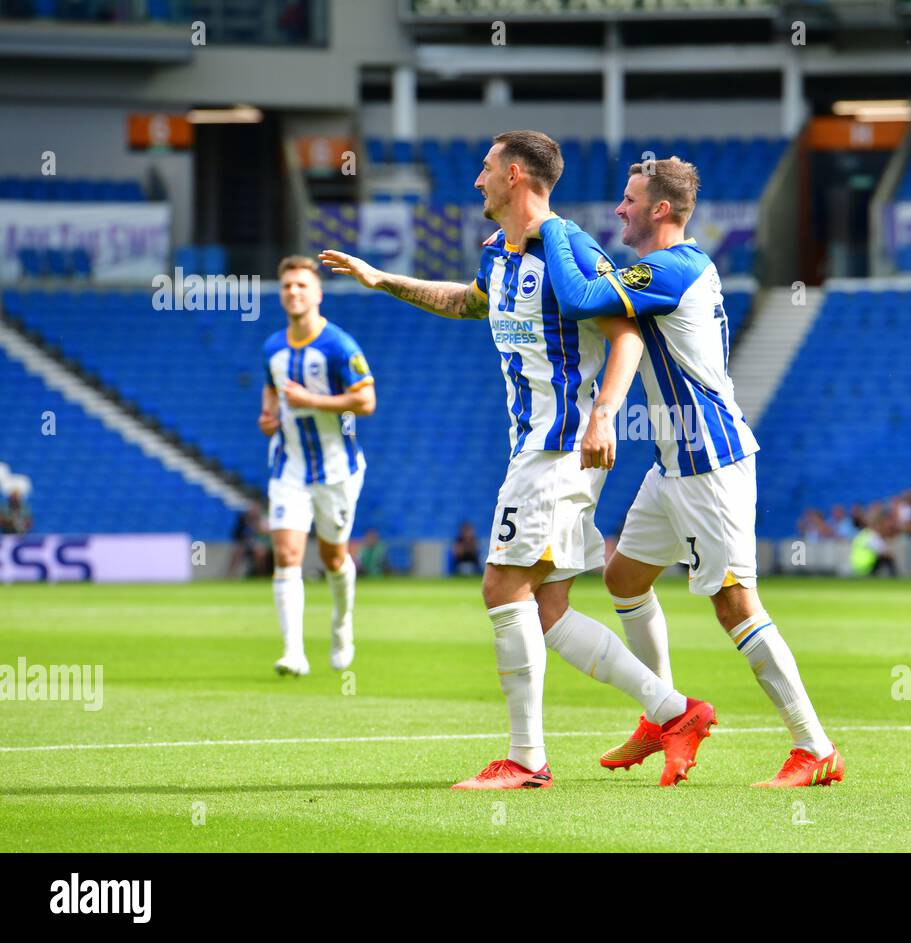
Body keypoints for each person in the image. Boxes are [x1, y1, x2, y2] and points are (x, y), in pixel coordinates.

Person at [322, 131, 713, 790]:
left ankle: (528, 758)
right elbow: (470, 303)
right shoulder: (498, 255)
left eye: (483, 169)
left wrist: (604, 413)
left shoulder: (570, 250)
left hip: (558, 445)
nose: (475, 181)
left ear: (513, 174)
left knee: (502, 588)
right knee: (550, 611)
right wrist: (382, 279)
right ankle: (674, 711)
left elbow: (625, 337)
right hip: (539, 448)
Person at [530, 156, 844, 788]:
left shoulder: (675, 268)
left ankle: (815, 748)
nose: (619, 209)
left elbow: (582, 296)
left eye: (628, 199)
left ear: (660, 210)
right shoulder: (667, 270)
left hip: (711, 464)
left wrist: (553, 227)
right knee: (622, 578)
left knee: (735, 604)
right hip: (672, 463)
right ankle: (667, 715)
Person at [260, 255, 374, 676]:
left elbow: (367, 401)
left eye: (302, 285)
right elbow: (271, 393)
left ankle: (342, 623)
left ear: (318, 293)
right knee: (287, 554)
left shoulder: (339, 346)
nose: (293, 292)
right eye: (287, 286)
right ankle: (293, 652)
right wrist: (268, 416)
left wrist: (315, 402)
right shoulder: (272, 347)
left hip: (336, 471)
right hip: (289, 468)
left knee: (332, 558)